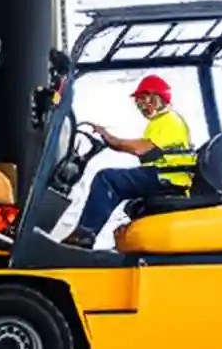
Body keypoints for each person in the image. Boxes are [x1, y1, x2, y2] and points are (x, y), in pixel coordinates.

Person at [66, 74, 196, 247]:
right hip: (166, 177)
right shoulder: (163, 122)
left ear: (158, 98)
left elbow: (145, 149)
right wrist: (112, 142)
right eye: (139, 102)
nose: (142, 106)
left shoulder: (168, 120)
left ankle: (85, 234)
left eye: (145, 99)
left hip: (167, 179)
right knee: (121, 188)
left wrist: (113, 140)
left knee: (108, 180)